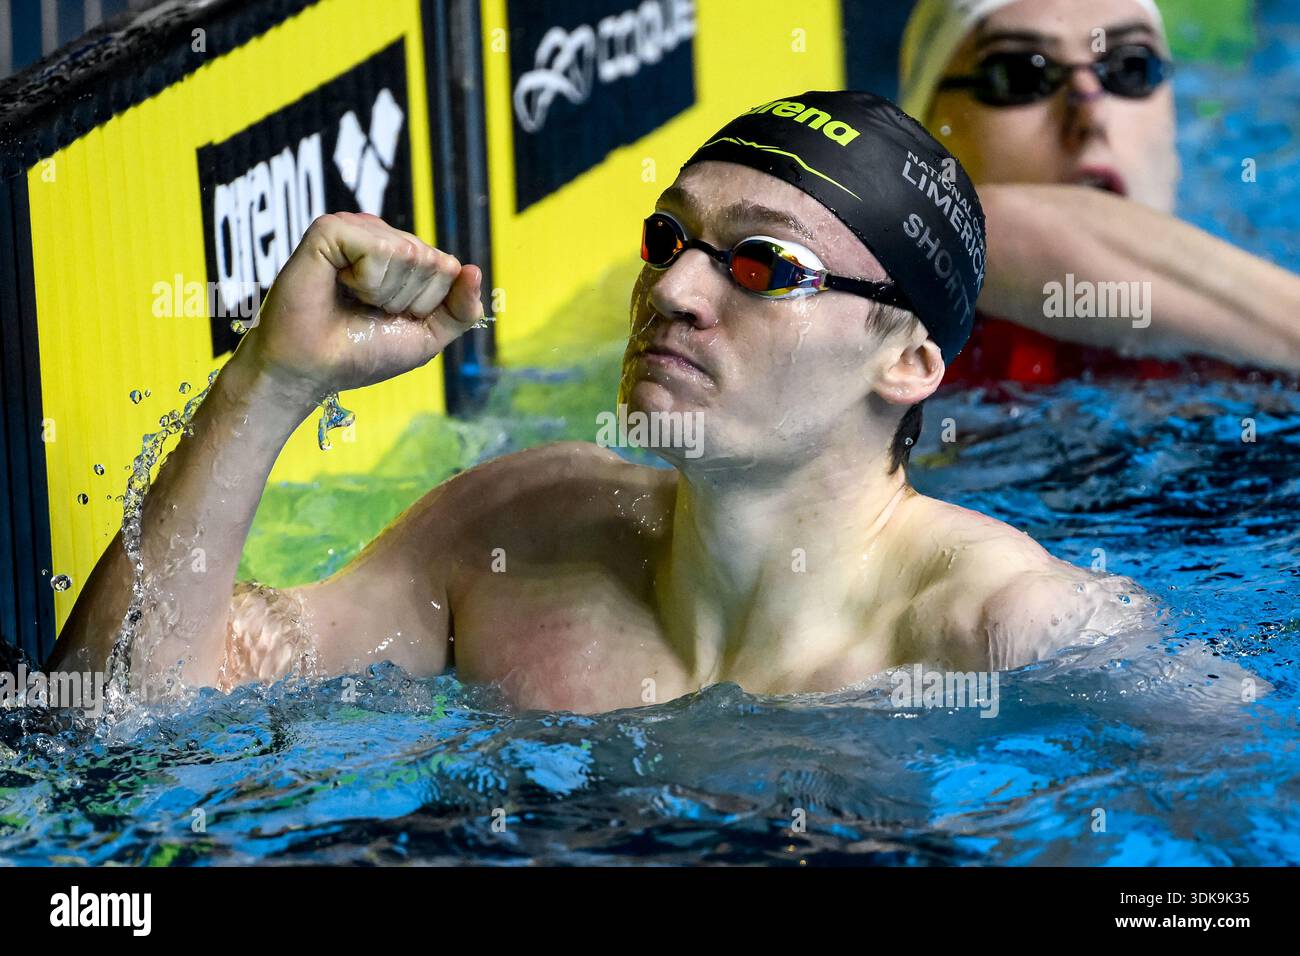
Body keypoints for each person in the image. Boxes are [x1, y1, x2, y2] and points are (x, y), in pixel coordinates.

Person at [48, 91, 1144, 714]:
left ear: (906, 359)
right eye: (669, 239)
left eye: (761, 264)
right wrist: (271, 382)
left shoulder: (1008, 631)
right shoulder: (517, 531)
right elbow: (126, 718)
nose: (672, 289)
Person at [900, 0, 1300, 385]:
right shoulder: (892, 299)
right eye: (1019, 75)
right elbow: (995, 225)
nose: (1092, 116)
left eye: (1132, 67)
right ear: (928, 134)